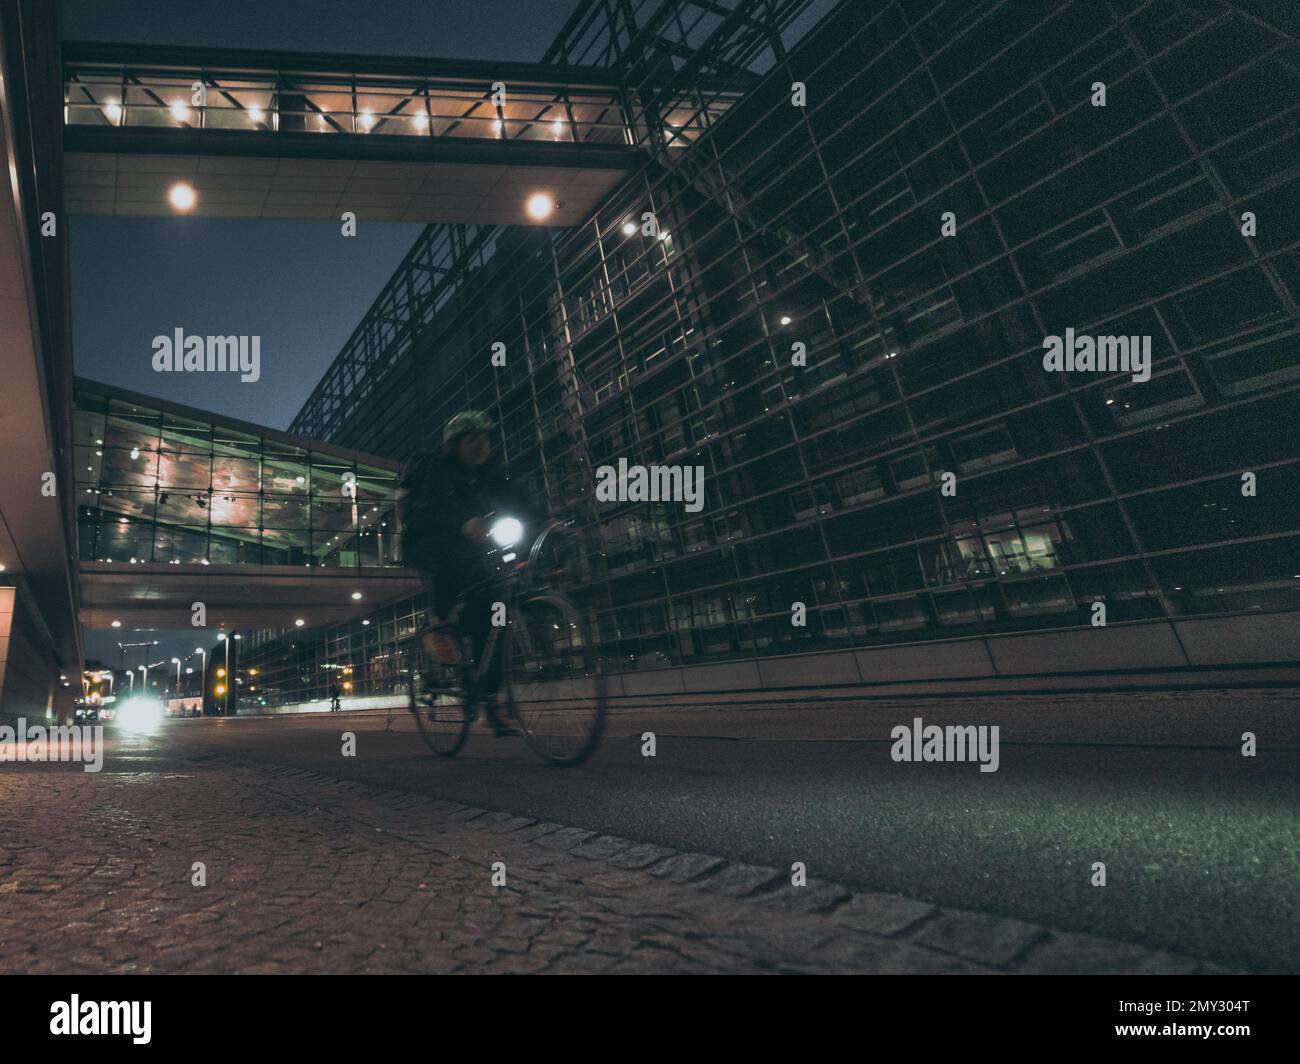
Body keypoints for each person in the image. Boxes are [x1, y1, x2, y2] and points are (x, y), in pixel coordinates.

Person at [398, 410, 532, 737]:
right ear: (454, 444)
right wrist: (463, 521)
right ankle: (439, 625)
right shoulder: (435, 467)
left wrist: (548, 521)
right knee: (451, 556)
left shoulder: (490, 472)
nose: (481, 445)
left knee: (492, 618)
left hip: (471, 543)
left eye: (486, 438)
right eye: (473, 438)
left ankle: (490, 703)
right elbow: (436, 503)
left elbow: (519, 499)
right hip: (427, 538)